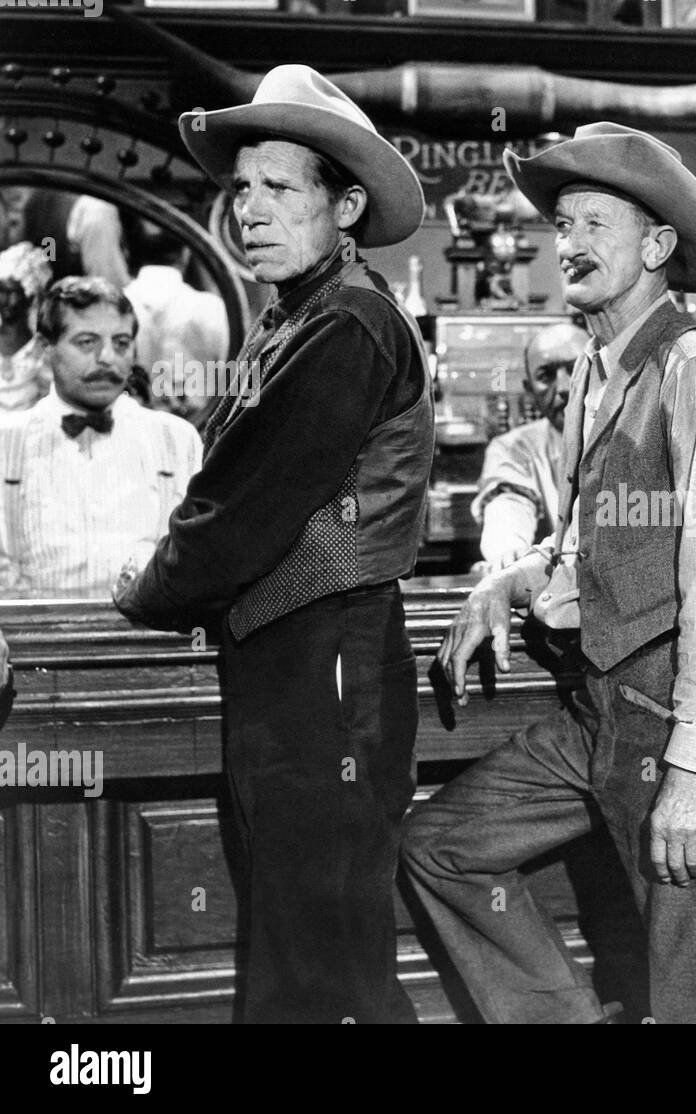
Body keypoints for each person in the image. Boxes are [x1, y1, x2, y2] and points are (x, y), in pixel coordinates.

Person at [402, 122, 696, 1024]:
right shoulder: (591, 376)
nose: (567, 245)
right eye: (561, 225)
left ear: (656, 247)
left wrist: (694, 773)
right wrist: (513, 577)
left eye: (593, 224)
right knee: (440, 846)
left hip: (676, 711)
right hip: (597, 706)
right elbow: (581, 539)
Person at [113, 65, 434, 1024]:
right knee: (314, 954)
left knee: (323, 968)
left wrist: (145, 591)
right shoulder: (297, 316)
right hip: (299, 670)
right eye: (241, 188)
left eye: (280, 188)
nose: (249, 208)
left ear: (344, 207)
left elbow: (237, 514)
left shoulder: (347, 322)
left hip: (325, 670)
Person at [0, 277, 200, 596]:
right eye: (87, 342)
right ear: (43, 348)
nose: (107, 357)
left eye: (121, 342)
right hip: (35, 642)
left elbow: (195, 563)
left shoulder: (175, 440)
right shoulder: (6, 445)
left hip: (149, 642)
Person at [471, 321, 585, 571]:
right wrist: (507, 552)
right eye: (546, 376)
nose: (564, 388)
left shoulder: (635, 433)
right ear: (530, 390)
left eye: (576, 368)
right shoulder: (516, 448)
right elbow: (508, 501)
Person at [123, 215, 230, 424]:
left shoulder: (115, 306)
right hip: (199, 434)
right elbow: (244, 388)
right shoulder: (211, 308)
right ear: (186, 253)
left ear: (128, 252)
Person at [0, 242, 53, 415]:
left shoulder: (42, 351)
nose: (6, 300)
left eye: (13, 292)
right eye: (2, 291)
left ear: (29, 297)